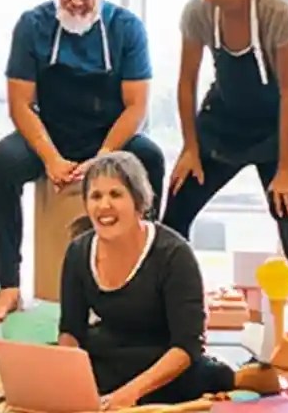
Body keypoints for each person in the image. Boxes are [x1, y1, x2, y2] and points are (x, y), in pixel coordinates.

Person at [0, 0, 164, 321]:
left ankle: (147, 277)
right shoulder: (33, 25)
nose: (77, 2)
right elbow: (20, 104)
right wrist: (50, 157)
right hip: (51, 131)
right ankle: (9, 285)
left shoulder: (126, 28)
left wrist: (103, 159)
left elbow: (136, 106)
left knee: (152, 158)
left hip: (108, 135)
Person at [161, 0, 288, 331]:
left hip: (277, 124)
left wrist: (286, 170)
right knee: (178, 200)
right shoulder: (198, 11)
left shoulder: (279, 11)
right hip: (224, 119)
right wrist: (190, 148)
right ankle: (171, 309)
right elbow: (186, 82)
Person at [59, 151, 234, 408]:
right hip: (109, 351)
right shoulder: (78, 252)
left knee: (205, 376)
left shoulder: (175, 254)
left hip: (165, 357)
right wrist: (68, 376)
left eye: (116, 194)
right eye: (96, 196)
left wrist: (131, 393)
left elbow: (187, 344)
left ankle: (242, 376)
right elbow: (71, 331)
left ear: (139, 202)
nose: (104, 205)